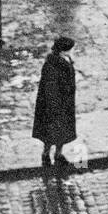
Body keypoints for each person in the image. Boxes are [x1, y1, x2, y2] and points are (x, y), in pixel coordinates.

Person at [32, 36, 77, 169]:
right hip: (55, 105)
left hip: (65, 103)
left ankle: (58, 154)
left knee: (61, 132)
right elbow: (51, 88)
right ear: (64, 51)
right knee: (50, 132)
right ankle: (46, 155)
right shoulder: (53, 65)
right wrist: (55, 106)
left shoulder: (63, 60)